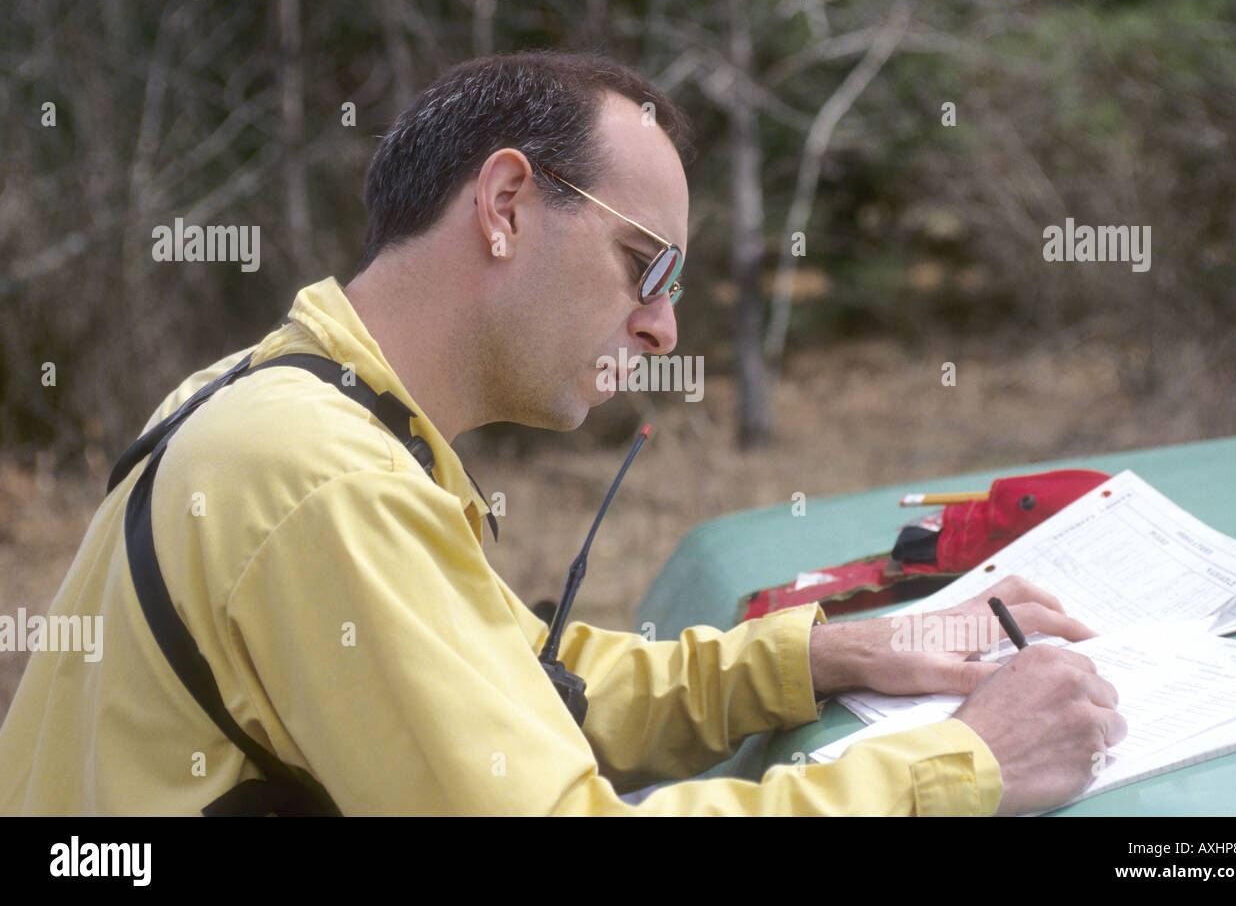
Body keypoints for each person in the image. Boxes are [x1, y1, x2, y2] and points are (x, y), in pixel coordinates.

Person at [0, 51, 1124, 815]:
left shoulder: (270, 399)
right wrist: (969, 759)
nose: (663, 321)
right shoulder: (317, 477)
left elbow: (517, 686)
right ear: (503, 207)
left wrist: (819, 654)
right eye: (649, 263)